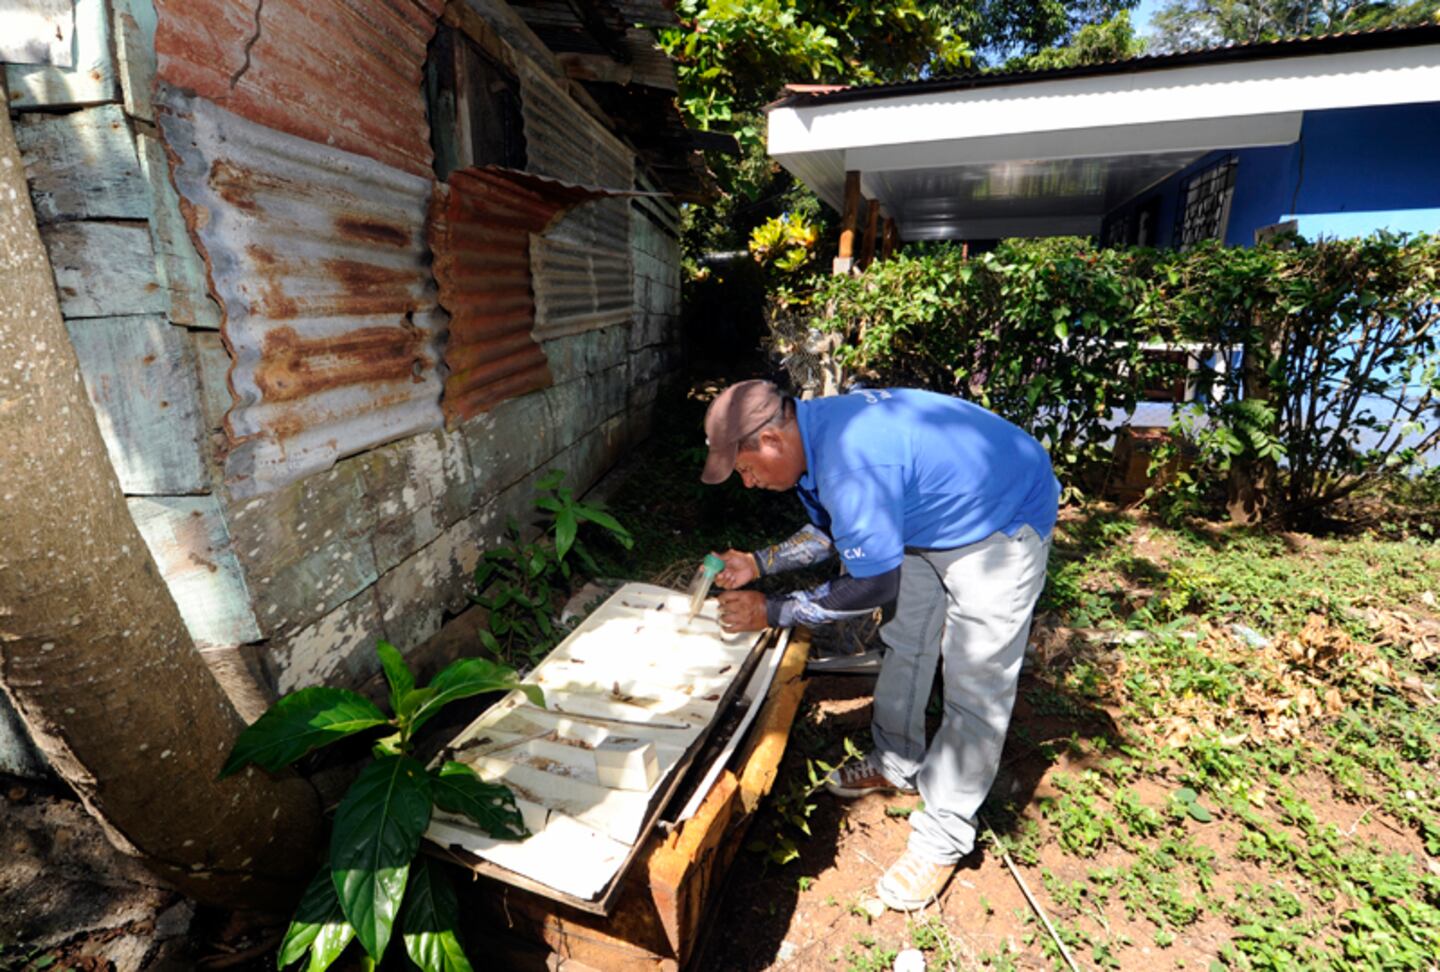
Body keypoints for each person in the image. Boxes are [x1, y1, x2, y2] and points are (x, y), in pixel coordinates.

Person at [700, 380, 1059, 911]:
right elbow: (834, 525)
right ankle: (897, 759)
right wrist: (759, 563)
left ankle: (943, 837)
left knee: (974, 680)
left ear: (772, 440)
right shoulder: (817, 434)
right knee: (905, 639)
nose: (748, 484)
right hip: (929, 515)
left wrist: (772, 611)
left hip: (1000, 522)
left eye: (747, 470)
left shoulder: (853, 459)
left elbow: (871, 585)